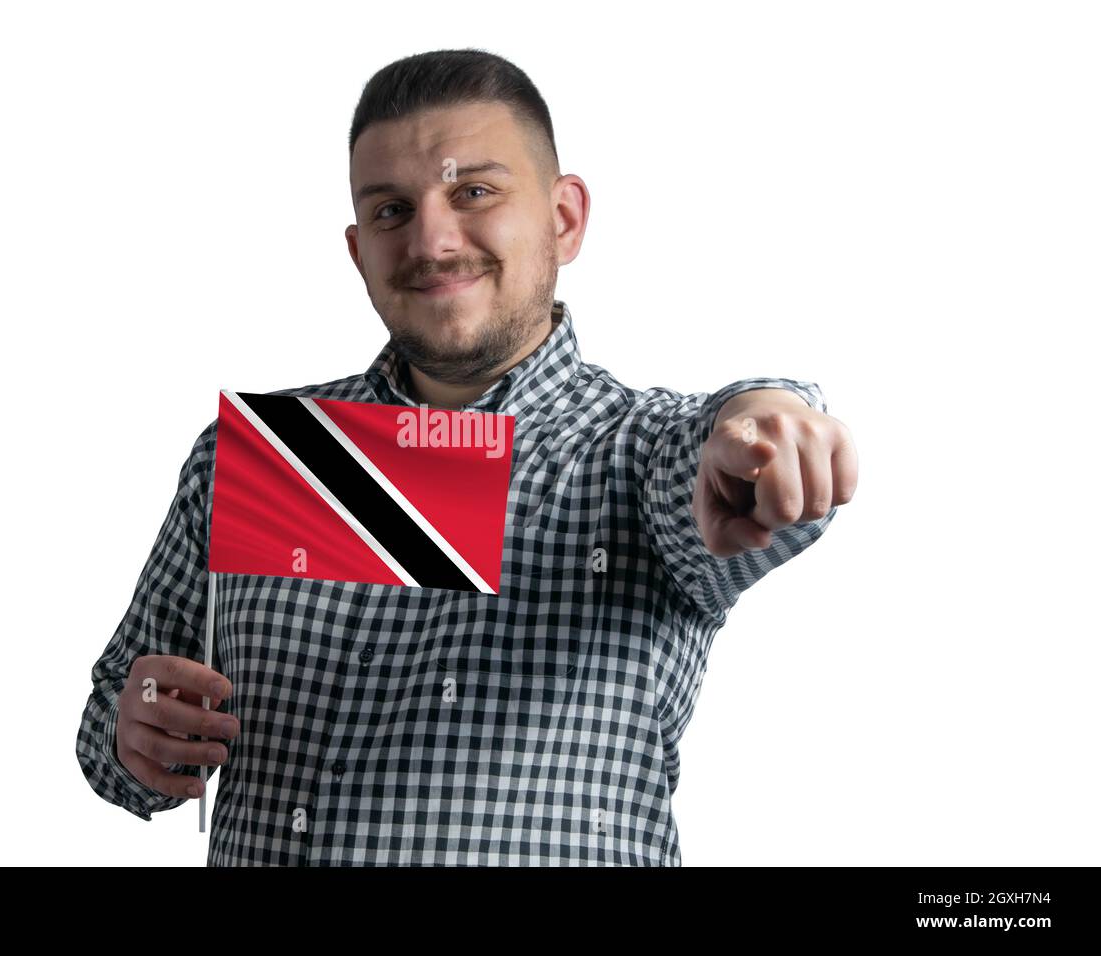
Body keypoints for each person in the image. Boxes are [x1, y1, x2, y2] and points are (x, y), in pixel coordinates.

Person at [76, 48, 858, 866]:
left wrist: (768, 419)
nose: (433, 241)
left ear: (564, 219)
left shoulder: (633, 456)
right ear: (356, 250)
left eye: (473, 192)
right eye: (390, 211)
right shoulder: (257, 460)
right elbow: (111, 732)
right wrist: (136, 736)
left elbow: (721, 453)